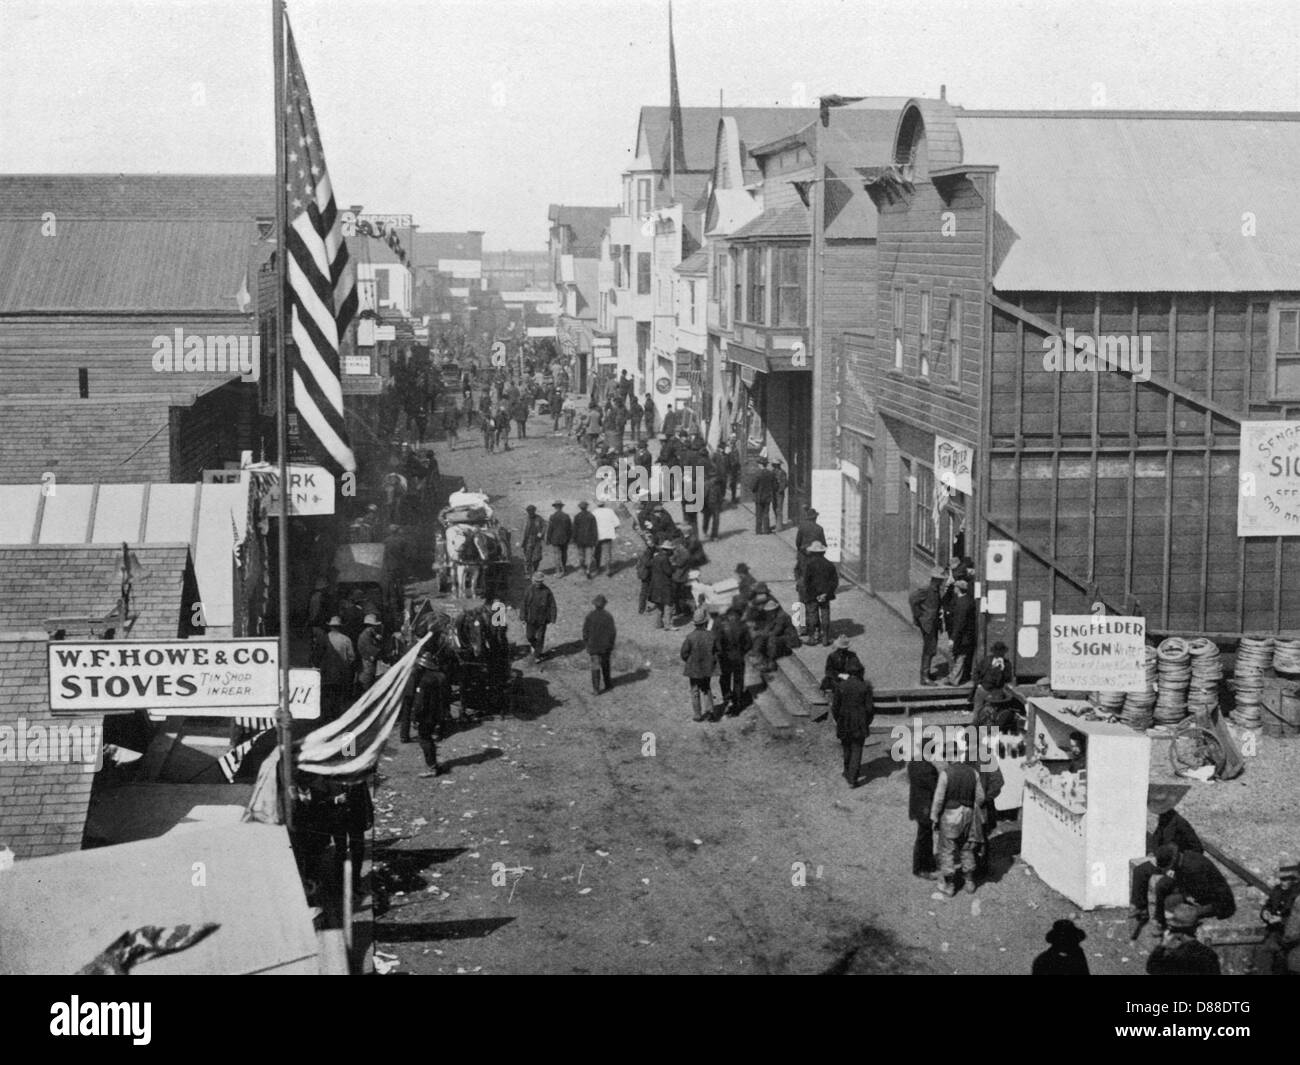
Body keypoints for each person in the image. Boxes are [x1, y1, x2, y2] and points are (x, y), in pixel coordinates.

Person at [1129, 806, 1205, 940]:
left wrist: (1180, 861)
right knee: (1140, 870)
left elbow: (1197, 848)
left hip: (1178, 864)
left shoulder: (1180, 824)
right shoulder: (1163, 821)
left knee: (1163, 886)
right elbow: (1157, 840)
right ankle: (1141, 907)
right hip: (1164, 861)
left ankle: (1160, 921)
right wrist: (1154, 853)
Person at [1131, 843, 1235, 939]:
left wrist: (1182, 895)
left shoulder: (1194, 869)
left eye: (1167, 868)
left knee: (1180, 912)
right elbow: (1174, 880)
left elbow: (1199, 896)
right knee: (1162, 887)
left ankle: (1184, 938)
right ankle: (1160, 922)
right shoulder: (1182, 860)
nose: (1165, 870)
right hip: (1195, 892)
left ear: (1172, 862)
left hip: (1217, 902)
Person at [930, 747, 985, 897]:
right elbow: (980, 797)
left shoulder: (945, 774)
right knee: (967, 847)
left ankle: (949, 885)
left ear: (948, 757)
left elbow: (939, 799)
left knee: (947, 850)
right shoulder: (973, 773)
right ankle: (969, 882)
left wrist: (934, 817)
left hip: (950, 816)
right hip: (969, 815)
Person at [1146, 904, 1221, 975]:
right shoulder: (1209, 954)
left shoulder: (1175, 957)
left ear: (1176, 930)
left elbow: (1151, 968)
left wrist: (1163, 944)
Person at [831, 662, 873, 787]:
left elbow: (835, 707)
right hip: (859, 721)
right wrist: (867, 721)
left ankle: (847, 771)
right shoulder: (865, 687)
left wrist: (838, 719)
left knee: (846, 747)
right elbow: (869, 708)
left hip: (844, 720)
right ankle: (852, 779)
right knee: (857, 748)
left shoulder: (841, 686)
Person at [410, 646, 450, 777]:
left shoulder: (424, 681)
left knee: (424, 739)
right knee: (429, 739)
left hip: (427, 715)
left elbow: (420, 703)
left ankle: (431, 766)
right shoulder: (442, 676)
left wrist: (415, 717)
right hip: (440, 713)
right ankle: (434, 764)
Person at [314, 615, 356, 722]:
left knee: (325, 695)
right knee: (337, 695)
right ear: (340, 627)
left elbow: (317, 654)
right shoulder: (346, 639)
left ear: (330, 627)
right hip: (341, 672)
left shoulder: (324, 638)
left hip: (326, 671)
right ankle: (335, 717)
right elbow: (351, 657)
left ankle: (325, 717)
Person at [681, 608, 718, 722]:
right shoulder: (711, 636)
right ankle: (710, 712)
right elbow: (717, 650)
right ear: (705, 623)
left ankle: (697, 714)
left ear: (695, 624)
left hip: (694, 669)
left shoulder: (690, 637)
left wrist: (689, 661)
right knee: (706, 689)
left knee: (694, 690)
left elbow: (684, 653)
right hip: (707, 668)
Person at [909, 568, 945, 686]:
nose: (941, 581)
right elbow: (913, 599)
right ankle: (924, 677)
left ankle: (927, 674)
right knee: (929, 649)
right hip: (927, 623)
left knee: (931, 648)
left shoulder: (935, 590)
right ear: (935, 579)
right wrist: (919, 615)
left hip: (932, 622)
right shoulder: (927, 589)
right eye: (940, 579)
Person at [714, 603, 752, 715]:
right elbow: (748, 643)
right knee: (738, 680)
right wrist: (742, 652)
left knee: (724, 678)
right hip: (739, 656)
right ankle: (737, 703)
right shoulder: (743, 625)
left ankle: (727, 697)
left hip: (725, 657)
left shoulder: (719, 623)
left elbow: (715, 640)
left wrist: (719, 653)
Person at [908, 753, 940, 879]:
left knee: (925, 837)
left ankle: (929, 863)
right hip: (926, 809)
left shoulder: (913, 761)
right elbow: (936, 788)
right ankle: (920, 868)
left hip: (916, 806)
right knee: (924, 838)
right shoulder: (928, 769)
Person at [801, 541, 838, 646]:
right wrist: (826, 593)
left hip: (812, 595)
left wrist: (813, 593)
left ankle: (812, 638)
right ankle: (825, 639)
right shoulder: (829, 565)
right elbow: (834, 581)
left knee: (813, 615)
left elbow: (806, 581)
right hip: (826, 595)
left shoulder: (809, 565)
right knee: (825, 615)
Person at [944, 579, 977, 685]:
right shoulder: (967, 600)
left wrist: (953, 638)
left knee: (958, 656)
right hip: (966, 635)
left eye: (955, 587)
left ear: (958, 589)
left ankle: (954, 679)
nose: (954, 589)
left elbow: (960, 622)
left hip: (962, 636)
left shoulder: (962, 604)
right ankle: (954, 676)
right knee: (959, 655)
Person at [754, 599, 800, 673]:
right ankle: (762, 659)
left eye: (769, 611)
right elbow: (769, 626)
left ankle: (771, 662)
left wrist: (764, 634)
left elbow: (776, 631)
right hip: (781, 636)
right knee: (761, 638)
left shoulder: (782, 616)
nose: (768, 612)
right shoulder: (773, 615)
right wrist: (762, 634)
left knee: (772, 640)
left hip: (790, 639)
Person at [582, 594, 617, 695]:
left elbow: (585, 632)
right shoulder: (608, 616)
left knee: (595, 667)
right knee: (606, 665)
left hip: (593, 646)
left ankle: (596, 689)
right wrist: (611, 644)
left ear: (595, 605)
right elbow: (612, 632)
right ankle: (608, 684)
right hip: (605, 646)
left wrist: (587, 643)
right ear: (604, 605)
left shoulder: (590, 616)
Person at [971, 642, 1014, 721]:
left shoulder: (1007, 664)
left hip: (997, 691)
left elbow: (1008, 679)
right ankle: (976, 727)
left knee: (994, 714)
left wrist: (1002, 670)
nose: (999, 655)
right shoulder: (987, 660)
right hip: (984, 689)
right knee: (978, 711)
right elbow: (976, 672)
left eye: (1001, 653)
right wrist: (978, 684)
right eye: (997, 653)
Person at [521, 571, 557, 661]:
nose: (538, 583)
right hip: (531, 618)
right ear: (533, 580)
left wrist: (552, 618)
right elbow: (523, 604)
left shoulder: (547, 591)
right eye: (537, 581)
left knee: (540, 637)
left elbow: (552, 605)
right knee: (529, 636)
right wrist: (522, 616)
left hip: (542, 619)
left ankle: (537, 655)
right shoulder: (528, 590)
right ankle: (536, 646)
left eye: (540, 581)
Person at [648, 544, 676, 629]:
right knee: (668, 604)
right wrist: (673, 567)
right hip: (664, 585)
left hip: (655, 584)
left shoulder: (656, 557)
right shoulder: (665, 559)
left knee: (659, 605)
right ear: (667, 550)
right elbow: (668, 572)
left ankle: (658, 623)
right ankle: (668, 624)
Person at [356, 613, 384, 693]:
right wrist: (378, 652)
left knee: (369, 678)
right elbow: (370, 648)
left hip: (368, 659)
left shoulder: (369, 634)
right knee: (367, 679)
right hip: (367, 660)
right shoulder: (366, 634)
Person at [571, 500, 599, 579]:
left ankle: (582, 568)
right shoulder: (591, 516)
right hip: (589, 540)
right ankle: (588, 570)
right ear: (587, 507)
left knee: (581, 555)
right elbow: (594, 529)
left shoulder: (577, 516)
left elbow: (574, 529)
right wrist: (595, 539)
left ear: (580, 508)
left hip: (580, 540)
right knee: (589, 556)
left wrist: (573, 539)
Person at [593, 501, 620, 576]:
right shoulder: (610, 511)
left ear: (597, 504)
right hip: (608, 535)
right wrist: (611, 528)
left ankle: (597, 568)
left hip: (598, 536)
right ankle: (608, 569)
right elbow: (617, 523)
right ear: (604, 504)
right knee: (607, 553)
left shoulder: (594, 512)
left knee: (597, 552)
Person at [546, 500, 572, 577]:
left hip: (555, 539)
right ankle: (563, 569)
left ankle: (558, 572)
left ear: (555, 507)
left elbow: (550, 529)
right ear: (561, 507)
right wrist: (569, 538)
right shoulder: (566, 516)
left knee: (557, 555)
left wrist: (548, 539)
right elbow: (569, 529)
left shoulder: (552, 516)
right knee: (564, 554)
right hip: (565, 538)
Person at [520, 504, 546, 576]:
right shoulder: (525, 519)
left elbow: (544, 525)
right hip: (528, 540)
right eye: (529, 511)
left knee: (537, 557)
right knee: (527, 557)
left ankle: (535, 569)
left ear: (534, 511)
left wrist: (541, 533)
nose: (531, 513)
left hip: (537, 540)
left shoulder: (539, 518)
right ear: (527, 512)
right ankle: (527, 572)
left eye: (532, 511)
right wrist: (522, 542)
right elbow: (523, 531)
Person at [702, 464, 726, 542]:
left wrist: (721, 502)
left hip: (715, 504)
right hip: (708, 504)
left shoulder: (717, 485)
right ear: (711, 477)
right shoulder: (706, 484)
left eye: (715, 477)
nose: (715, 478)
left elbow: (720, 495)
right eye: (713, 477)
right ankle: (705, 531)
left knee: (716, 520)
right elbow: (704, 495)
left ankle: (714, 535)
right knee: (707, 519)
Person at [752, 459, 776, 534]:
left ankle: (758, 530)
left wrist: (754, 490)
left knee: (759, 514)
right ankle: (766, 530)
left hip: (759, 497)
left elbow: (753, 486)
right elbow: (774, 485)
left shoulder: (758, 474)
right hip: (768, 497)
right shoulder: (770, 474)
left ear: (761, 465)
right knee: (766, 513)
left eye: (759, 464)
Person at [635, 542, 655, 614]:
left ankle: (642, 608)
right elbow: (647, 563)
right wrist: (654, 560)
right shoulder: (648, 554)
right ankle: (643, 608)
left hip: (645, 575)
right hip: (646, 575)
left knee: (644, 592)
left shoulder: (645, 553)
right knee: (644, 592)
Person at [771, 459, 788, 531]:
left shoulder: (782, 473)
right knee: (774, 508)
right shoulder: (772, 472)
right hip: (773, 493)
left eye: (775, 465)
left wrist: (779, 490)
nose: (774, 466)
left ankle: (779, 526)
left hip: (779, 493)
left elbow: (785, 483)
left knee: (779, 509)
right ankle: (777, 524)